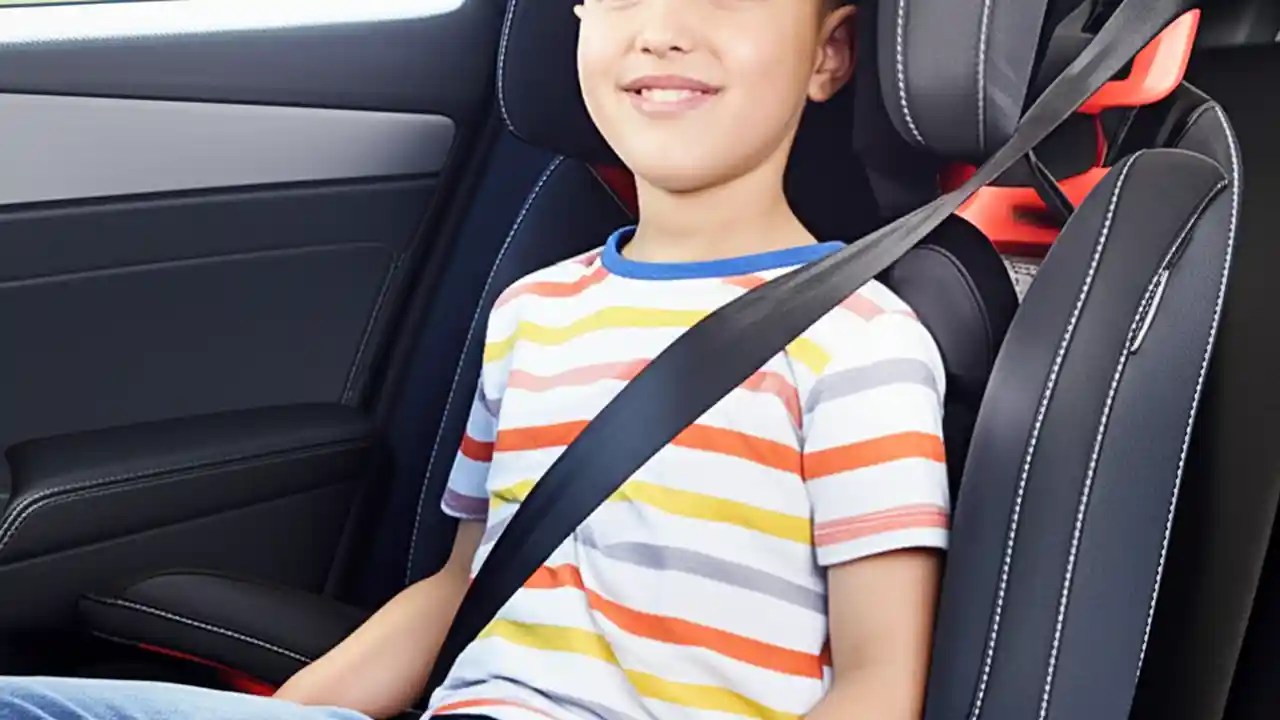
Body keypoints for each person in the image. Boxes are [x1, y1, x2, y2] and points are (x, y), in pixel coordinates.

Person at [0, 1, 950, 718]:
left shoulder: (860, 342)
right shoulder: (533, 310)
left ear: (828, 54)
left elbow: (879, 682)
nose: (662, 30)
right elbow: (459, 583)